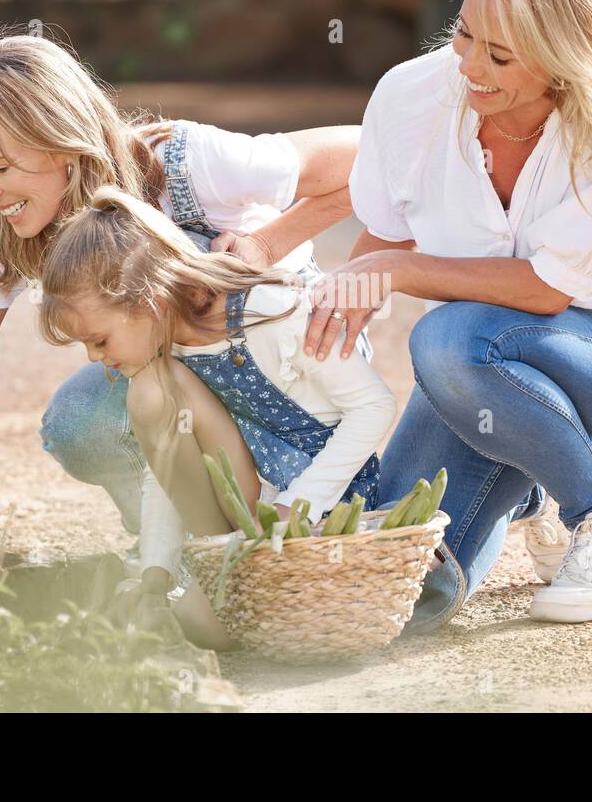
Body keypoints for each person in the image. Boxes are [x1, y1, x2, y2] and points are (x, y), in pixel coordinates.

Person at [0, 31, 366, 645]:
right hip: (194, 404)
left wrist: (265, 244)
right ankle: (186, 555)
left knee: (106, 401)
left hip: (298, 396)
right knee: (83, 418)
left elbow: (366, 160)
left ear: (62, 143)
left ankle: (238, 554)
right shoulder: (5, 234)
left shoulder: (184, 164)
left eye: (0, 168)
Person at [304, 0, 592, 630]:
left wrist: (397, 270)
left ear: (562, 59)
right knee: (401, 590)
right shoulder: (410, 97)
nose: (469, 68)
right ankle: (528, 478)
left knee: (448, 342)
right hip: (489, 377)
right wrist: (341, 316)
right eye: (463, 36)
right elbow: (384, 234)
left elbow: (545, 291)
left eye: (499, 55)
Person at [36, 185, 396, 645]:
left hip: (318, 515)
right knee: (150, 393)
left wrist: (296, 505)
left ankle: (239, 590)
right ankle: (217, 566)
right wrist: (156, 570)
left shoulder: (273, 311)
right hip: (250, 517)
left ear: (148, 303)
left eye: (99, 340)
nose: (94, 357)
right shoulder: (171, 351)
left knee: (210, 625)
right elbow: (163, 473)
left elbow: (374, 405)